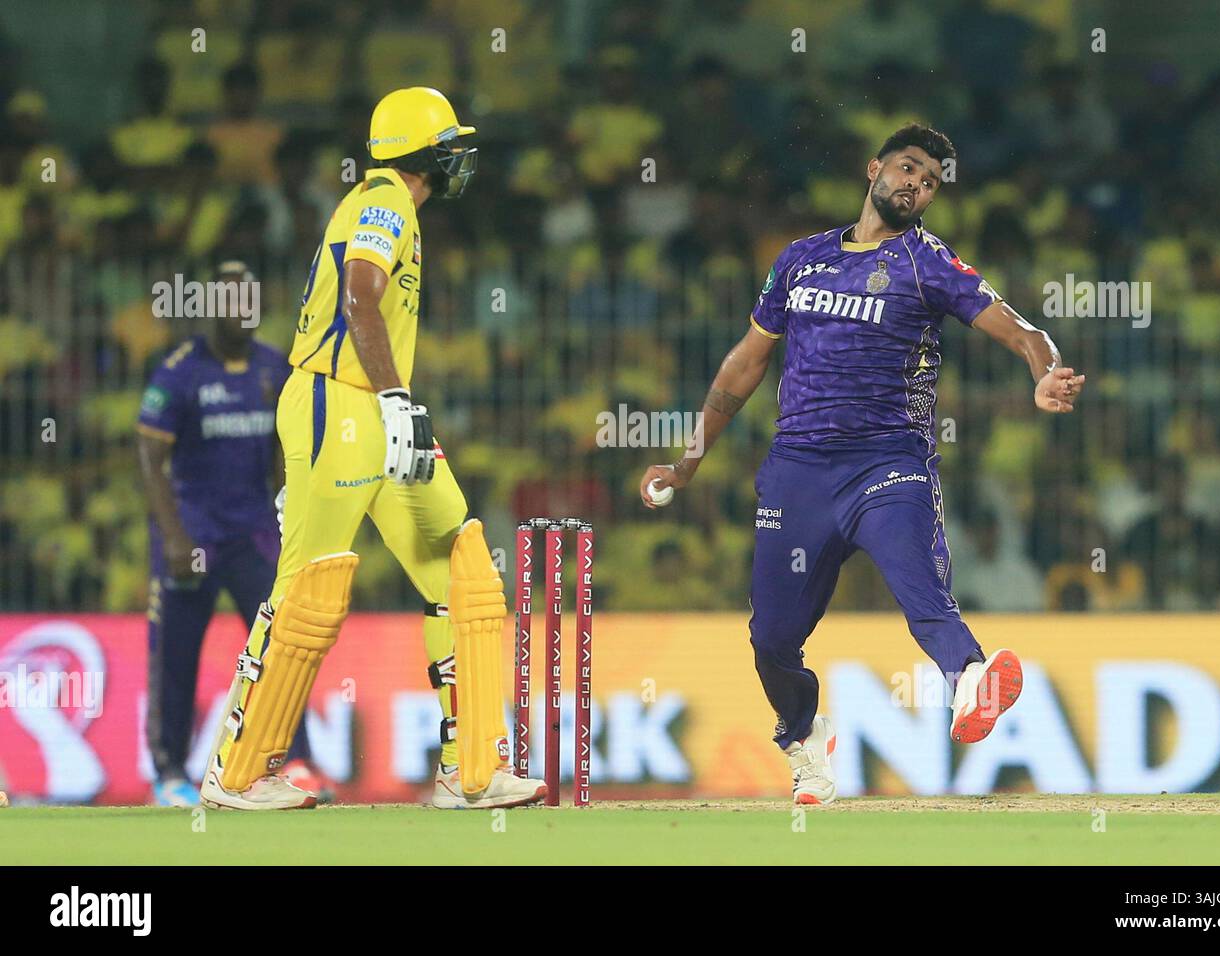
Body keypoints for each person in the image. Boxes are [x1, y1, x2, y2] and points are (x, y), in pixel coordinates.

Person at [639, 124, 1086, 805]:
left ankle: (970, 679)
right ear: (875, 167)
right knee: (772, 639)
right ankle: (802, 733)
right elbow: (746, 362)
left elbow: (1024, 331)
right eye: (908, 168)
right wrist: (687, 463)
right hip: (797, 471)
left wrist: (1045, 373)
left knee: (920, 587)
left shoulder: (928, 261)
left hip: (888, 463)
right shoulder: (800, 260)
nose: (916, 184)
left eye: (931, 181)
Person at [200, 88, 544, 811]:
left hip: (373, 405)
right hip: (340, 400)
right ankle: (238, 774)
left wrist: (395, 406)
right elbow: (360, 295)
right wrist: (394, 402)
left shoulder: (394, 203)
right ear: (424, 151)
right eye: (450, 146)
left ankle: (472, 770)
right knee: (307, 589)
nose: (459, 158)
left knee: (464, 570)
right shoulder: (384, 198)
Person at [137, 260, 322, 806]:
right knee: (176, 655)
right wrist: (171, 537)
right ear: (210, 309)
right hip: (192, 540)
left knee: (280, 650)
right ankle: (170, 772)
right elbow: (149, 456)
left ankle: (296, 762)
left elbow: (283, 454)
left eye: (249, 303)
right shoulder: (180, 371)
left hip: (253, 536)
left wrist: (288, 520)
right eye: (230, 303)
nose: (241, 313)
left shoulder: (272, 369)